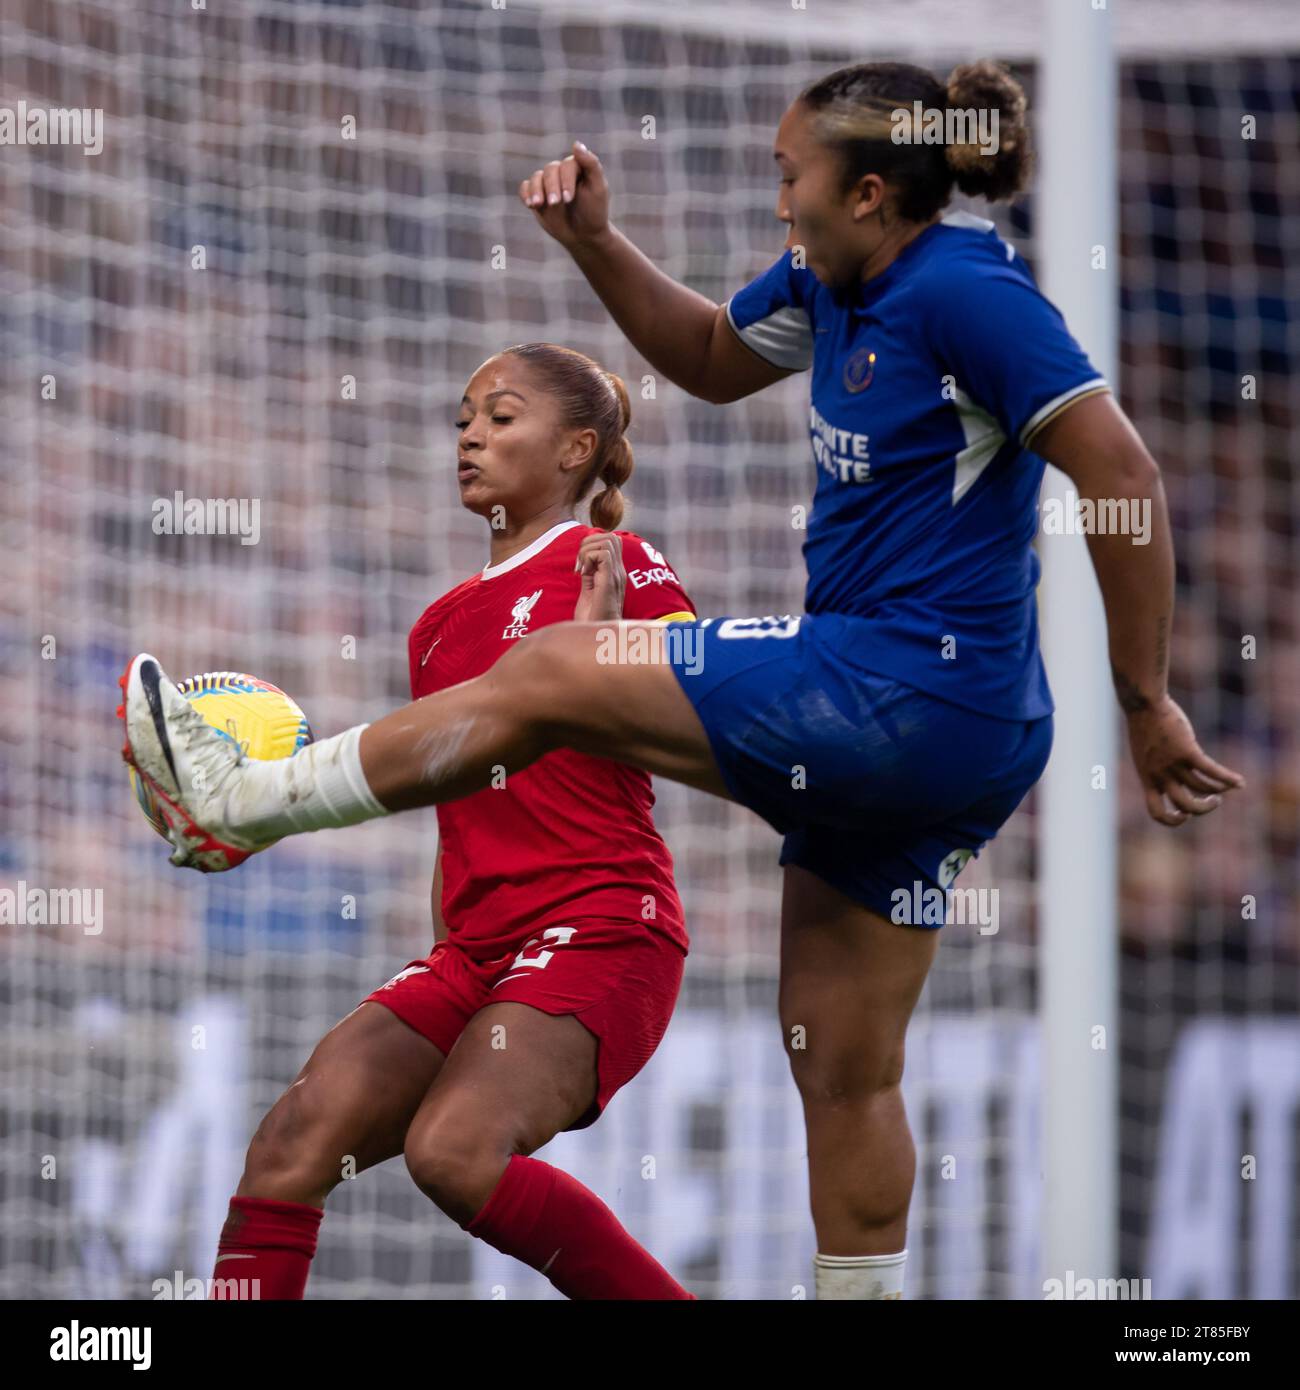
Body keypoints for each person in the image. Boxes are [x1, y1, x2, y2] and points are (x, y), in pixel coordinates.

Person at [122, 61, 1243, 1301]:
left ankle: (245, 801)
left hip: (911, 683)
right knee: (842, 1061)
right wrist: (597, 244)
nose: (777, 205)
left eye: (788, 179)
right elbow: (711, 355)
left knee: (553, 666)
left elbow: (1123, 474)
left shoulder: (967, 286)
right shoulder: (836, 278)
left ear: (868, 193)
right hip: (915, 739)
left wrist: (1142, 700)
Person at [199, 343, 699, 1300]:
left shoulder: (616, 564)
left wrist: (604, 652)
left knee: (455, 1152)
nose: (470, 434)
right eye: (464, 417)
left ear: (575, 449)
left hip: (601, 927)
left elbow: (708, 709)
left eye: (500, 417)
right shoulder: (435, 625)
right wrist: (446, 959)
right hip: (476, 951)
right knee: (291, 1144)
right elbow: (459, 813)